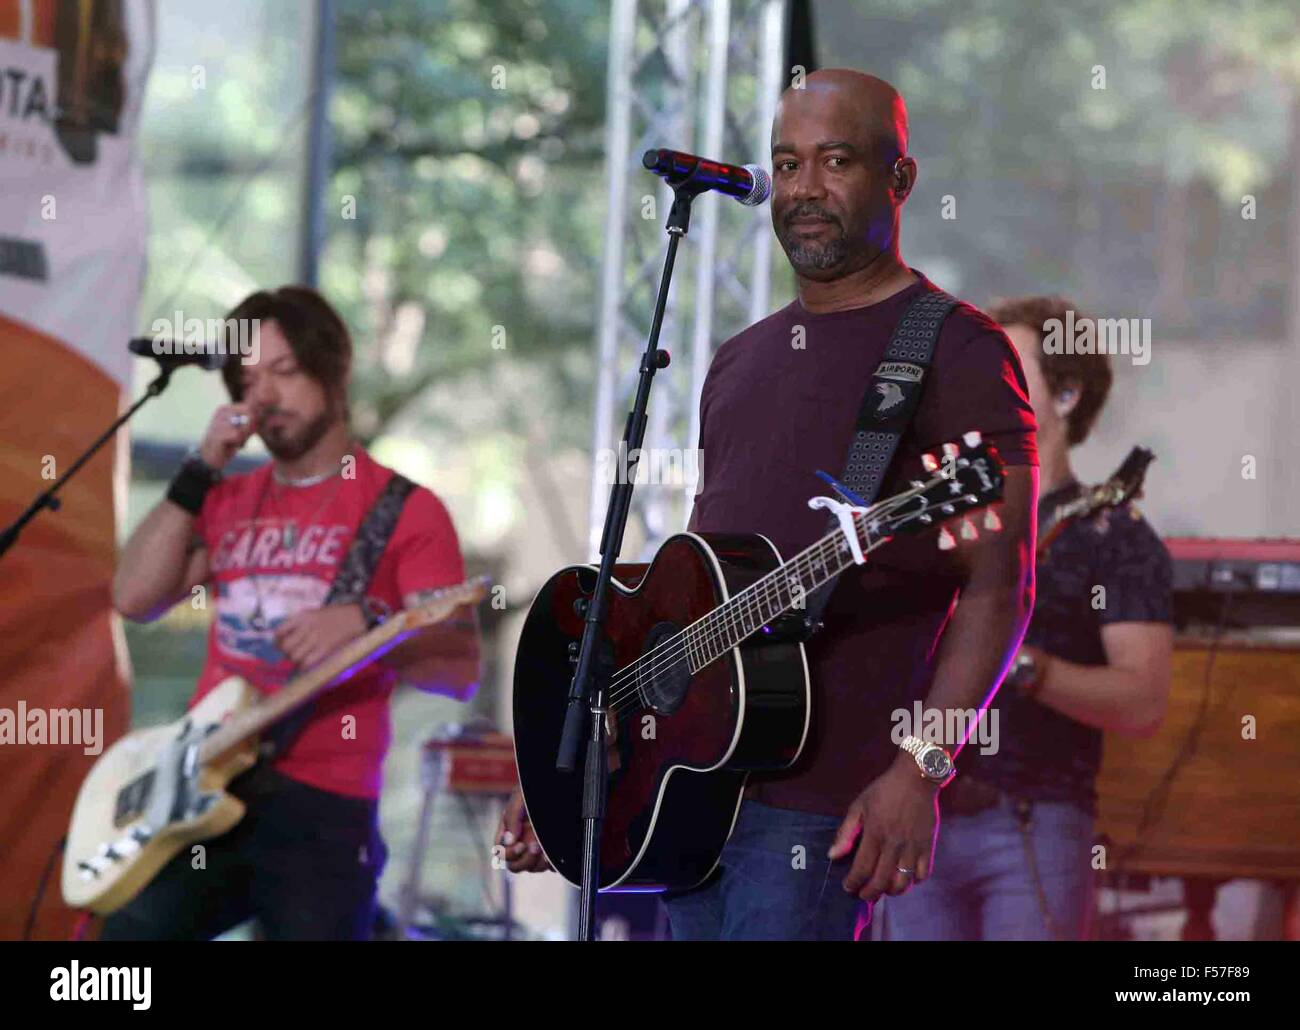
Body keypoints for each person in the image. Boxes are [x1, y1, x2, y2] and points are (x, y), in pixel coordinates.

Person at [498, 69, 1039, 941]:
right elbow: (686, 596)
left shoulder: (956, 348)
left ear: (897, 181)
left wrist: (922, 769)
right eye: (787, 165)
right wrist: (574, 773)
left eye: (835, 161)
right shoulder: (740, 360)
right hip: (688, 791)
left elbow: (998, 588)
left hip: (823, 806)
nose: (804, 190)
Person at [103, 286, 480, 941]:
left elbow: (459, 669)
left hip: (323, 809)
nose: (266, 396)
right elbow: (134, 597)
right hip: (206, 784)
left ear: (334, 373)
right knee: (113, 953)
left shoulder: (405, 510)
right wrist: (201, 466)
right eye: (248, 380)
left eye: (285, 372)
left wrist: (369, 624)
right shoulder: (227, 498)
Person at [879, 295, 1173, 941]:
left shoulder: (1114, 536)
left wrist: (1021, 664)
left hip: (1031, 825)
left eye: (1005, 371)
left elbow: (1143, 701)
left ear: (1066, 396)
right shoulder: (938, 520)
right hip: (912, 814)